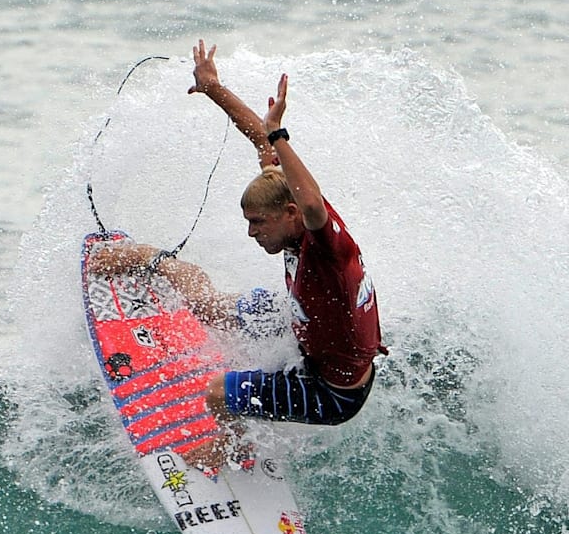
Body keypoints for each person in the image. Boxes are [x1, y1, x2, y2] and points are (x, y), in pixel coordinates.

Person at [91, 40, 385, 467]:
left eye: (258, 223)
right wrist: (213, 88)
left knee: (216, 392)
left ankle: (228, 450)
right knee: (209, 308)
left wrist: (281, 135)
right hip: (297, 320)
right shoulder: (283, 203)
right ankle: (156, 259)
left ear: (288, 214)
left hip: (334, 391)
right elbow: (259, 140)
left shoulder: (329, 249)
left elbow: (314, 205)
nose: (250, 233)